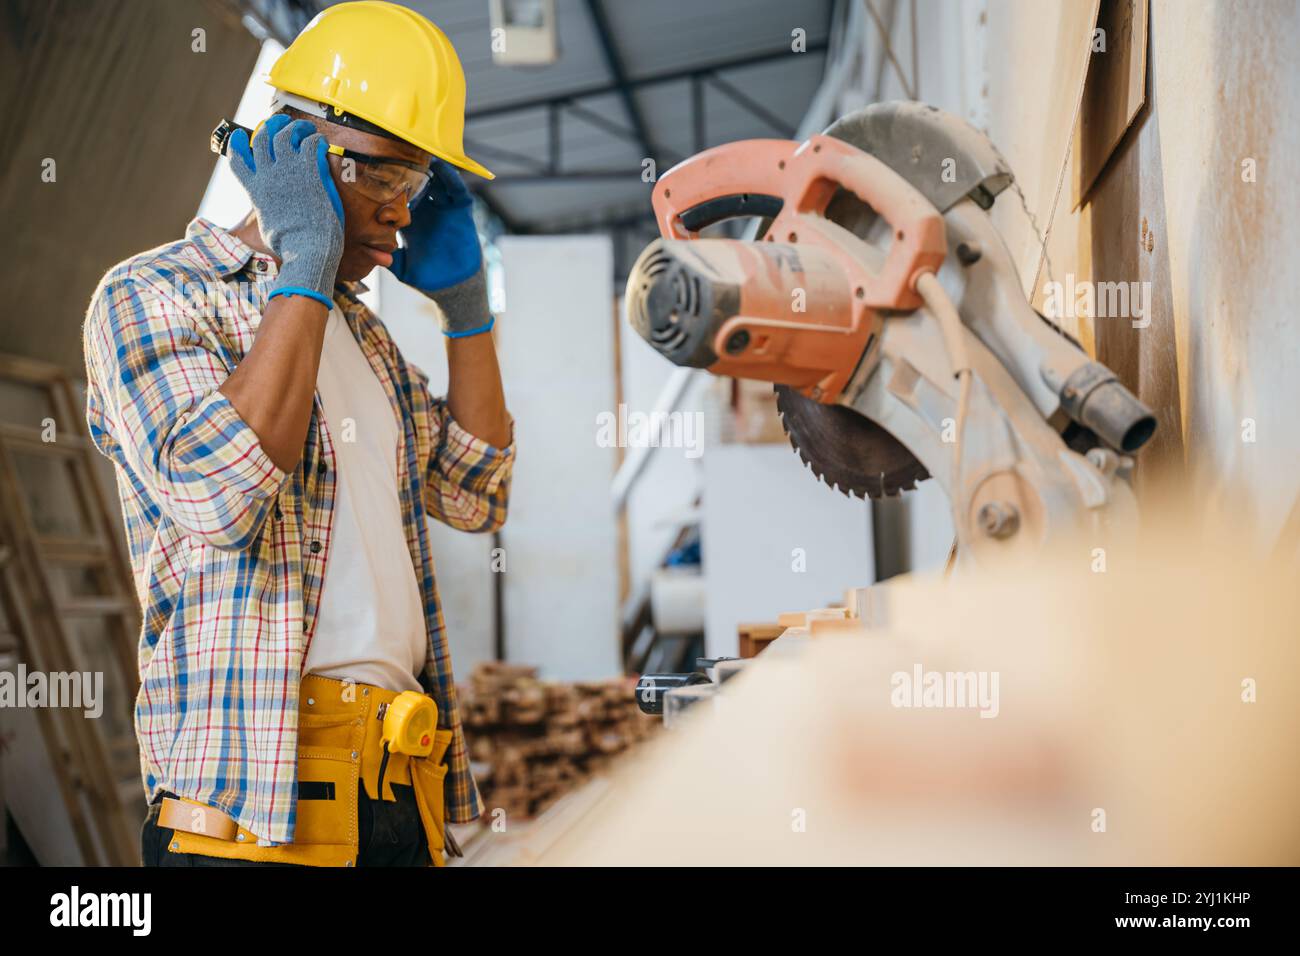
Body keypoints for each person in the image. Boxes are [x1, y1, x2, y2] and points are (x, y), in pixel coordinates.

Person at [82, 0, 511, 866]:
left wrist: (468, 314)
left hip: (398, 788)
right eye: (385, 177)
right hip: (251, 812)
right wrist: (304, 265)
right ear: (300, 155)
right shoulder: (153, 296)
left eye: (417, 185)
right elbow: (221, 494)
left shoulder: (367, 338)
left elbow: (477, 494)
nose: (401, 212)